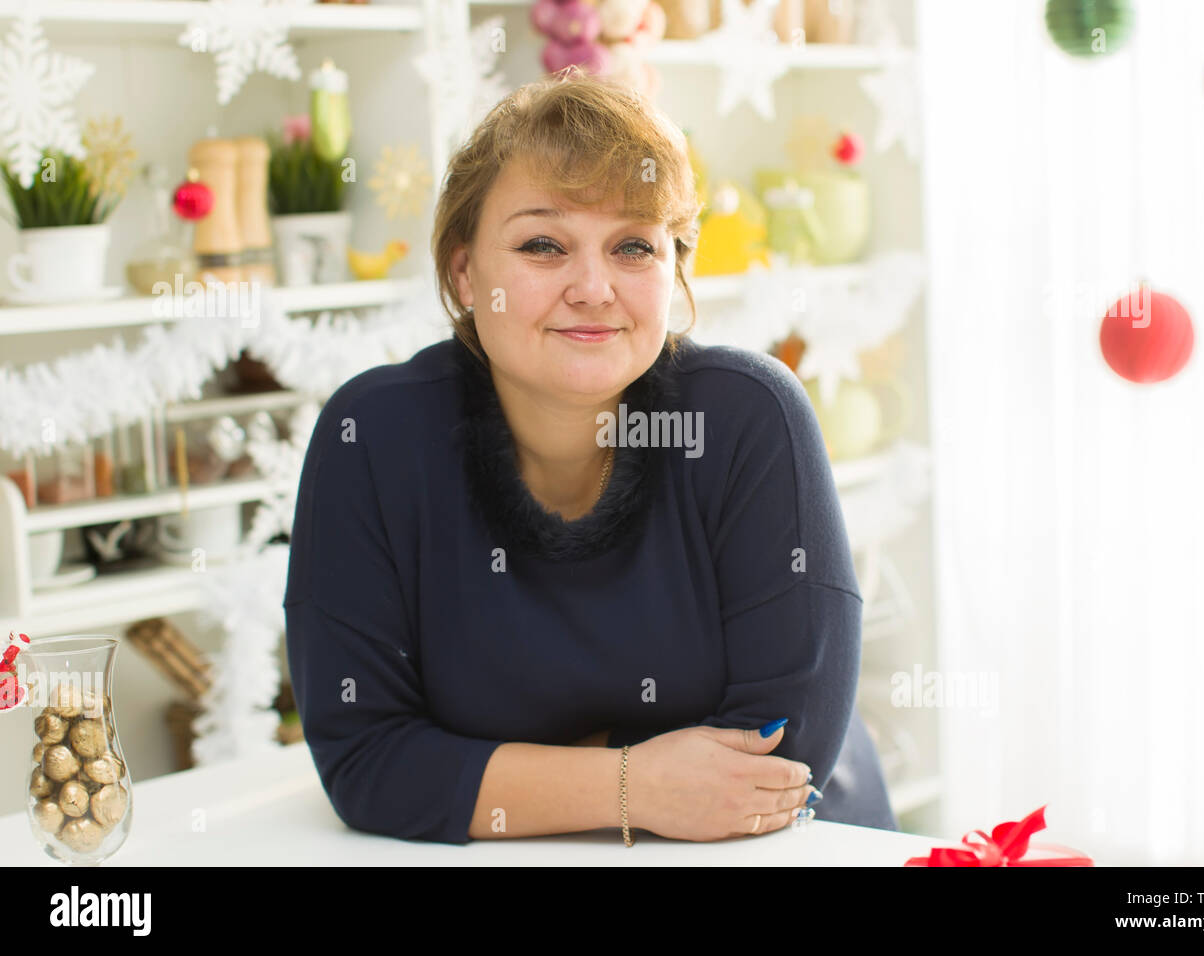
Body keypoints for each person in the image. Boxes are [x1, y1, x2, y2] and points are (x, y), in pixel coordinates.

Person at [283, 71, 897, 845]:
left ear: (673, 272)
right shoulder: (371, 436)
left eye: (633, 246)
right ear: (464, 271)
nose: (594, 287)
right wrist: (632, 784)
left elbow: (782, 755)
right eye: (544, 244)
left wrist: (487, 772)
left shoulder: (748, 417)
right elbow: (366, 762)